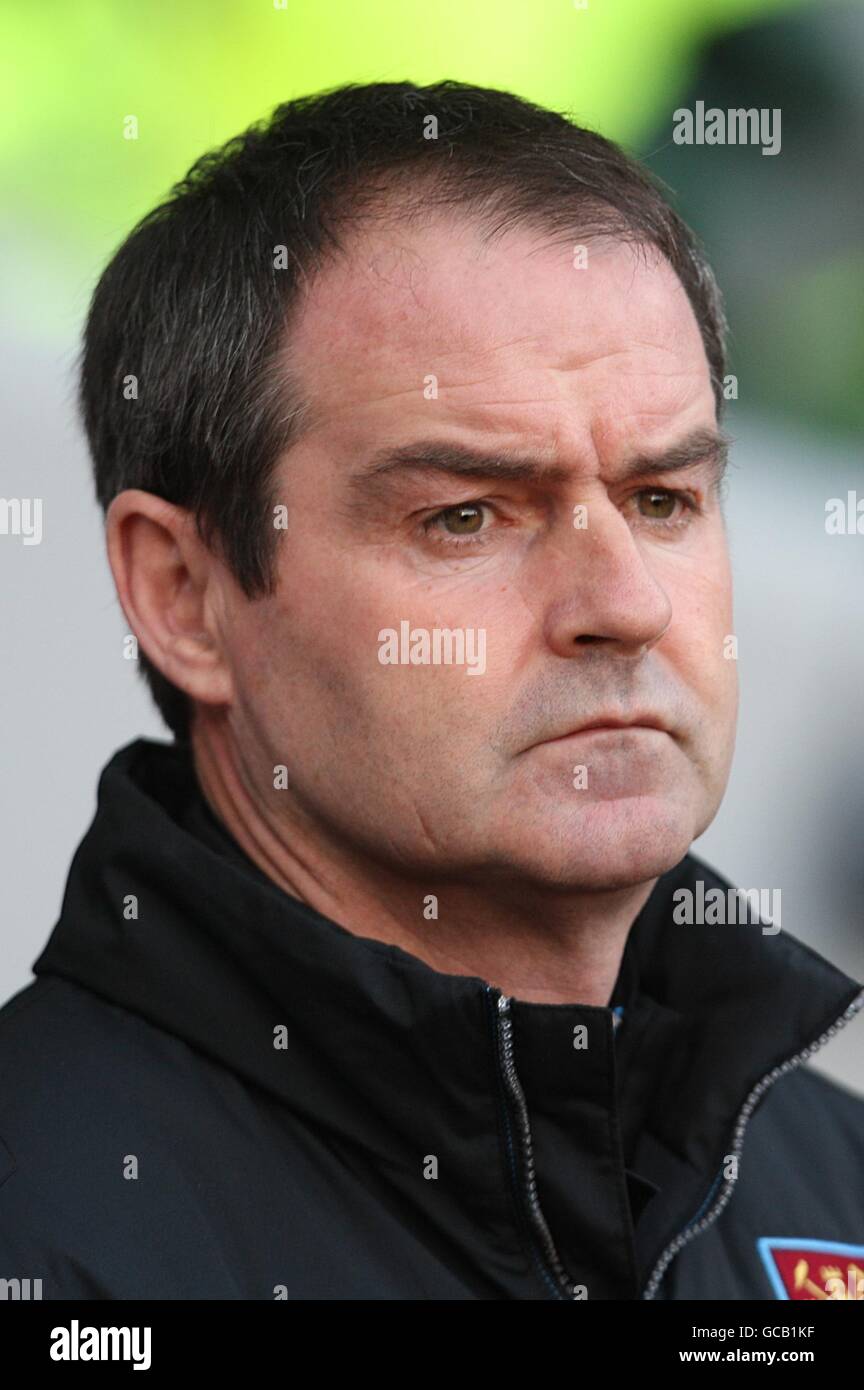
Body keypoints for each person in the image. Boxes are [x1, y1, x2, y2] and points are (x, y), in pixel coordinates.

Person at [1, 80, 862, 1302]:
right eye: (466, 515)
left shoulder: (835, 1194)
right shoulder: (53, 1240)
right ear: (185, 594)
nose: (624, 604)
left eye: (664, 499)